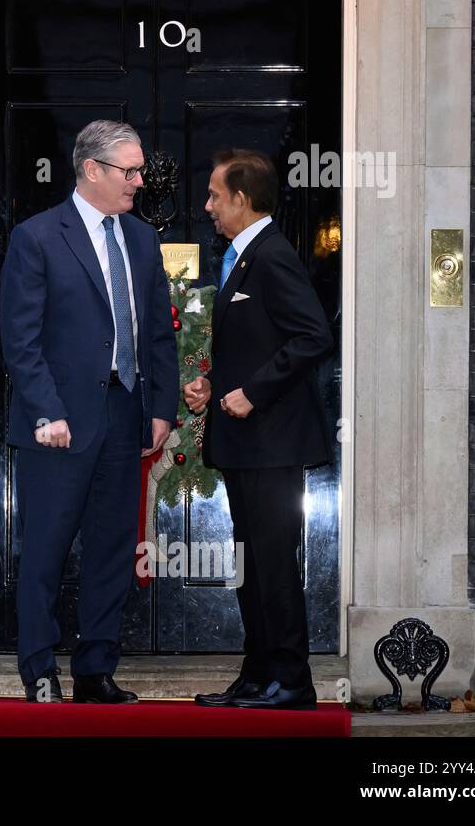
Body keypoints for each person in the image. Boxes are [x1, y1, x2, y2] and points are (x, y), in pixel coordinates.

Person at [0, 120, 178, 704]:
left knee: (109, 549)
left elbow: (157, 333)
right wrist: (45, 412)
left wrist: (160, 408)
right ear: (92, 170)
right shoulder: (37, 237)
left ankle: (97, 670)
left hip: (126, 418)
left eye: (140, 169)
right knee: (47, 549)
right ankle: (39, 670)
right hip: (59, 426)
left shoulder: (144, 240)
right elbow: (20, 339)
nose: (139, 180)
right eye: (129, 170)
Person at [184, 148, 334, 710]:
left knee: (272, 564)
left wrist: (253, 391)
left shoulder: (271, 256)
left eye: (216, 196)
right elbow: (258, 342)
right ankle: (257, 674)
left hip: (274, 442)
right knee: (251, 566)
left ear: (243, 200)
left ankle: (293, 681)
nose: (208, 207)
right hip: (247, 442)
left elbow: (312, 336)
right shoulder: (244, 258)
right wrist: (214, 384)